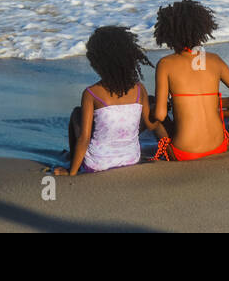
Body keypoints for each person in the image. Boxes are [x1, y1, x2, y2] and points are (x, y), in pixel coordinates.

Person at [55, 26, 167, 175]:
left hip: (97, 164)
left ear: (96, 61)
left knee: (77, 114)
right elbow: (151, 125)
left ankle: (72, 160)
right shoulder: (140, 89)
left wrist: (71, 172)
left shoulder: (91, 93)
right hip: (131, 159)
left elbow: (84, 138)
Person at [152, 0, 229, 161]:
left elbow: (160, 114)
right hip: (220, 145)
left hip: (185, 152)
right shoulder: (214, 60)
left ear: (167, 33)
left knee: (156, 122)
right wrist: (213, 102)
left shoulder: (165, 64)